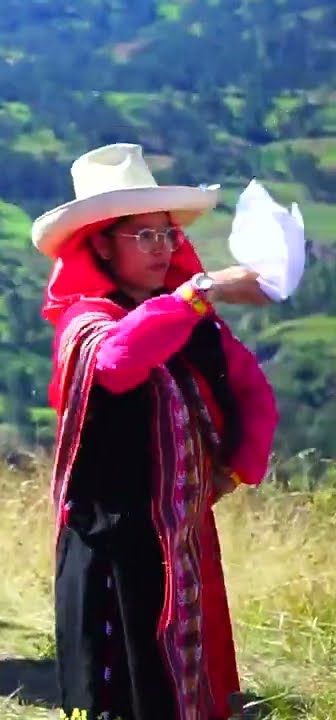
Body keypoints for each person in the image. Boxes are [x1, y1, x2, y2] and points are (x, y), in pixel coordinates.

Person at [35, 144, 278, 719]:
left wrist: (237, 466)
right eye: (142, 236)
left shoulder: (187, 317)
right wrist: (198, 292)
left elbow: (250, 388)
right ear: (99, 243)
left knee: (187, 675)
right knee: (127, 678)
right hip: (113, 536)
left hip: (180, 534)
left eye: (166, 235)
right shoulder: (88, 320)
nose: (162, 248)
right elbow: (119, 363)